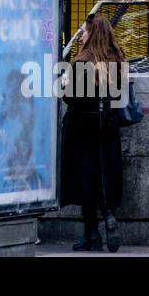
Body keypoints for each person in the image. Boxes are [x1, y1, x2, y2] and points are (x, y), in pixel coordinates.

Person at [60, 13, 127, 253]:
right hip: (108, 127)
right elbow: (119, 95)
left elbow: (71, 98)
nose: (81, 36)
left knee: (85, 179)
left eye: (84, 32)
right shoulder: (117, 59)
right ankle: (108, 214)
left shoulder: (82, 62)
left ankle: (91, 235)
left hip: (82, 128)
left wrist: (65, 83)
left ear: (93, 33)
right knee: (104, 176)